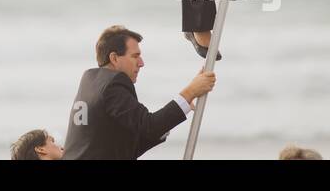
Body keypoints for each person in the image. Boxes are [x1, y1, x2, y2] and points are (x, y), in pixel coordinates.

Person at [62, 25, 216, 160]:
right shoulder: (112, 84)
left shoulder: (90, 82)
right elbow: (149, 126)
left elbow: (125, 149)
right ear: (114, 58)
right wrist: (190, 91)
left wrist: (183, 105)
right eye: (135, 56)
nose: (141, 63)